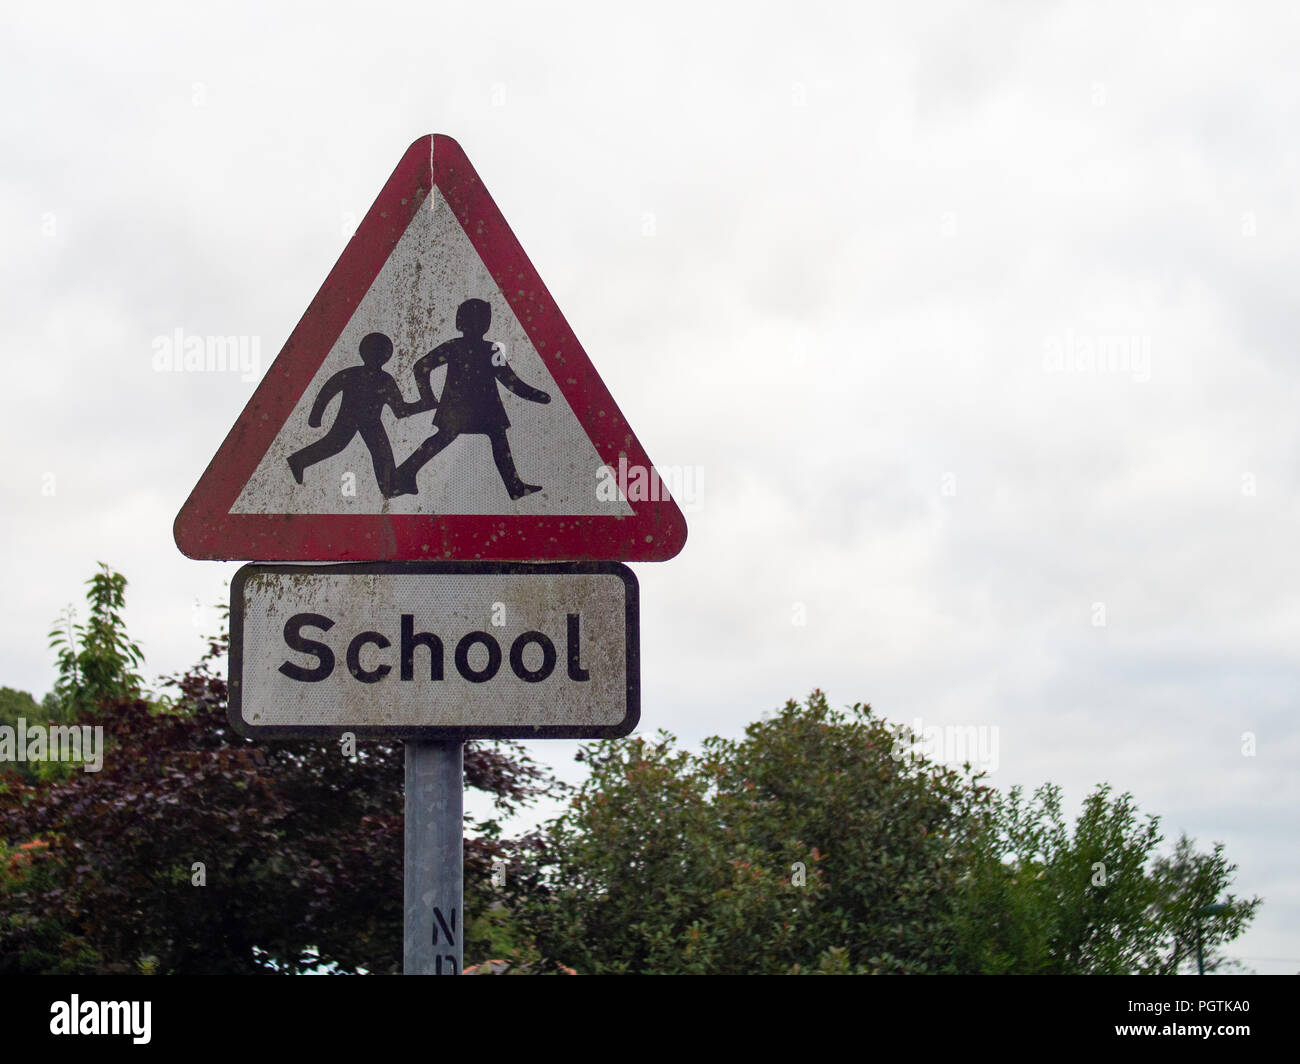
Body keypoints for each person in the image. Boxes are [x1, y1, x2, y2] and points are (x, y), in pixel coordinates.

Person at [396, 298, 551, 499]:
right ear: (462, 322)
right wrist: (427, 397)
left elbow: (510, 380)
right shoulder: (460, 347)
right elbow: (421, 366)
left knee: (487, 439)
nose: (482, 324)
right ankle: (404, 473)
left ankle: (514, 487)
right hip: (471, 407)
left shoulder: (484, 348)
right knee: (479, 438)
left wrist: (537, 395)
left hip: (473, 407)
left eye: (484, 319)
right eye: (479, 319)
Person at [287, 332, 426, 498]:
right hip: (351, 418)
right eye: (376, 351)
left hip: (370, 421)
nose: (378, 356)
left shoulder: (384, 380)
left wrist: (424, 405)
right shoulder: (358, 375)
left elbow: (400, 410)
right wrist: (315, 416)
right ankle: (298, 460)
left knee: (381, 454)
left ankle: (389, 488)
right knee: (337, 445)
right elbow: (329, 390)